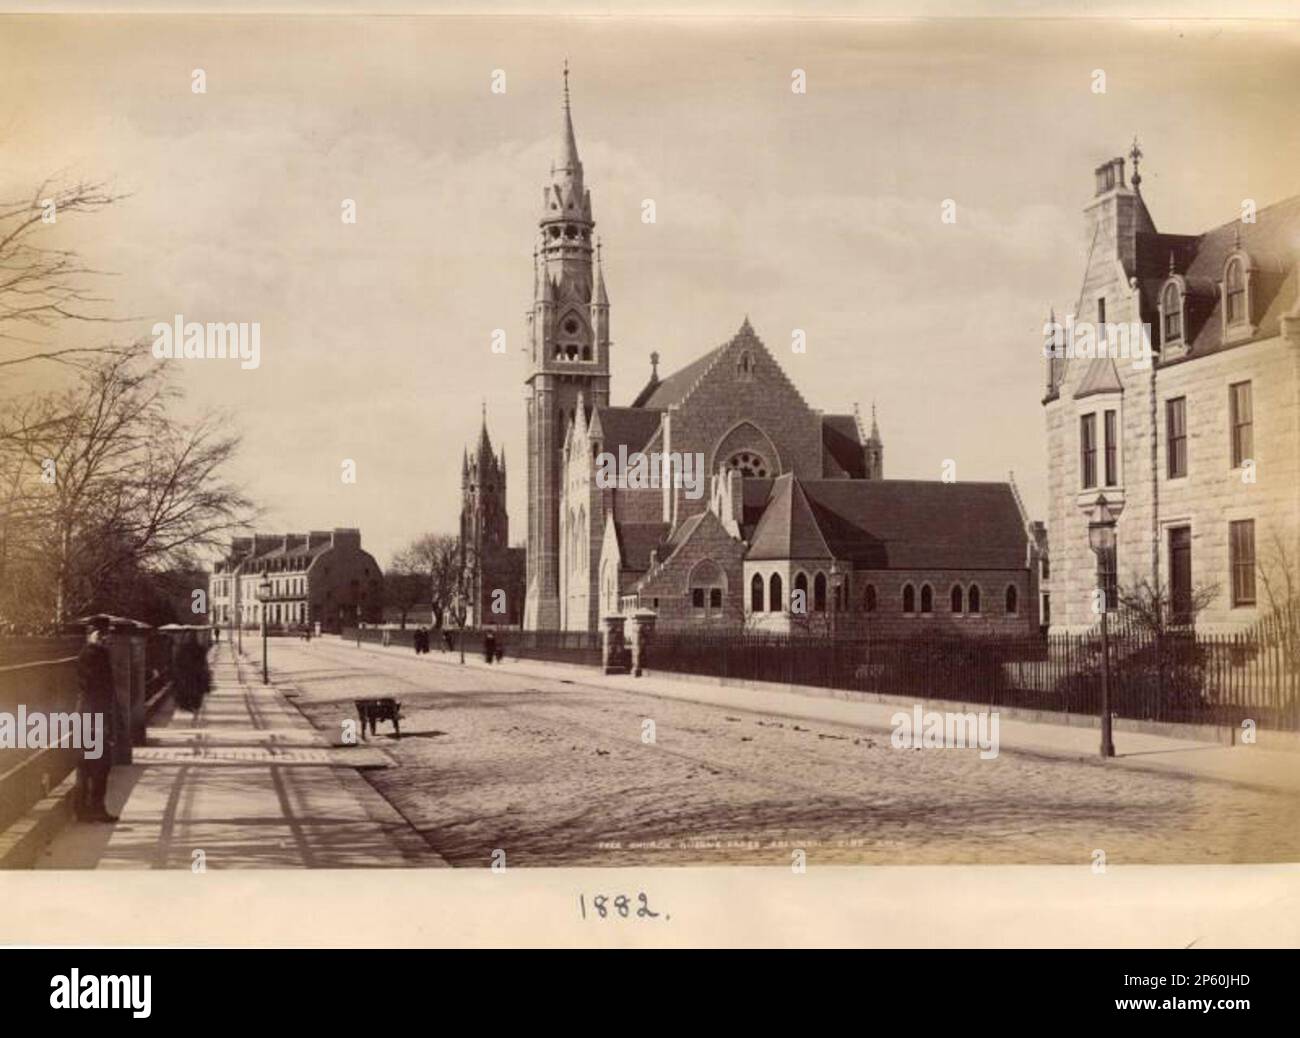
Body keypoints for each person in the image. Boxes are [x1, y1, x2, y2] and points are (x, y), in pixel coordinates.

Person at [75, 617, 118, 823]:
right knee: (98, 764)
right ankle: (93, 808)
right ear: (91, 633)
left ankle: (85, 809)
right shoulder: (92, 655)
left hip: (90, 715)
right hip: (92, 716)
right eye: (101, 634)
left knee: (89, 763)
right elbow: (94, 687)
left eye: (106, 634)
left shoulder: (94, 653)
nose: (105, 637)